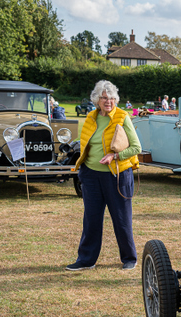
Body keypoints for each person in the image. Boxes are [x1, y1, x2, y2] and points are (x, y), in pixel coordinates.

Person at [66, 80, 141, 272]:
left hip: (116, 176)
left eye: (112, 98)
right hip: (91, 176)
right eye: (104, 98)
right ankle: (86, 260)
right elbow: (86, 142)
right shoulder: (91, 117)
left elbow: (136, 148)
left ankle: (129, 258)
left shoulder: (123, 117)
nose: (108, 101)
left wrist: (115, 156)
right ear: (97, 100)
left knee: (121, 218)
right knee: (91, 219)